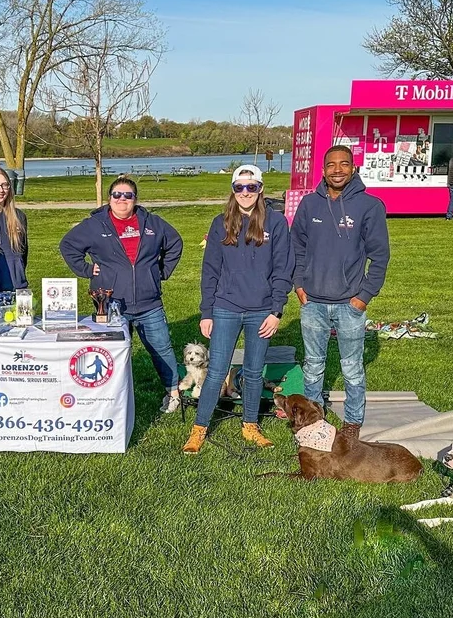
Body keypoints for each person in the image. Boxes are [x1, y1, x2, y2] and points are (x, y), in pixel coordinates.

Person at [182, 165, 293, 454]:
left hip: (262, 311)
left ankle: (250, 425)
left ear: (260, 189)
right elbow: (210, 271)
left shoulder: (277, 224)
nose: (245, 192)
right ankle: (199, 429)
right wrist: (207, 311)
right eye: (240, 187)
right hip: (225, 308)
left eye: (251, 187)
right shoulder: (221, 223)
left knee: (254, 373)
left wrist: (276, 310)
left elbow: (283, 269)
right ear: (233, 190)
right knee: (217, 370)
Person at [59, 177, 184, 413]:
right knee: (108, 353)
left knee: (162, 348)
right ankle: (106, 399)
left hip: (150, 303)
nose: (122, 199)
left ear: (135, 199)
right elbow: (68, 246)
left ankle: (173, 393)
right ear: (109, 198)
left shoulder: (152, 223)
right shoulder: (95, 224)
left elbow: (175, 243)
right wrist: (86, 269)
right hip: (111, 305)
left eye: (128, 195)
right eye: (117, 194)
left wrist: (160, 272)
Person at [290, 145, 390, 439]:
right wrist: (299, 284)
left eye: (344, 164)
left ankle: (353, 422)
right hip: (313, 302)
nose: (337, 170)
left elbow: (380, 256)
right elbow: (296, 248)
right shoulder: (309, 204)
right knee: (313, 366)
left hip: (350, 303)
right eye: (331, 165)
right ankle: (312, 419)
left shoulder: (369, 206)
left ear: (353, 168)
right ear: (322, 170)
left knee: (351, 368)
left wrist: (364, 296)